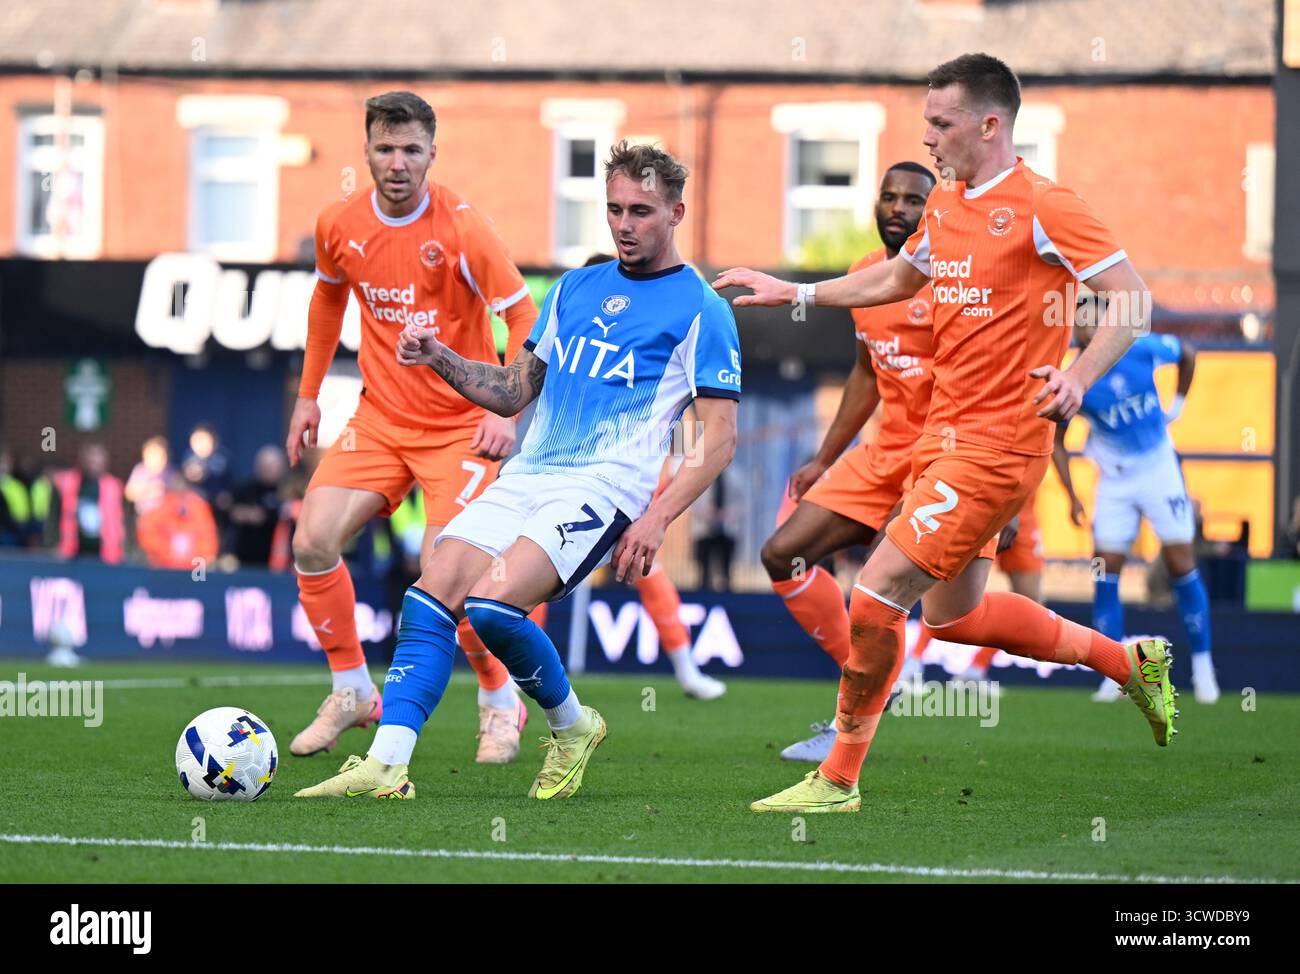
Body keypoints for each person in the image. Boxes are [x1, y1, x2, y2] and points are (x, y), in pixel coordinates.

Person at [716, 53, 1178, 813]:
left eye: (941, 122)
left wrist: (1078, 378)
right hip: (942, 438)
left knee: (876, 594)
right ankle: (1130, 665)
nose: (927, 138)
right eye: (926, 121)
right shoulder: (949, 203)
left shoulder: (1045, 205)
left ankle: (836, 778)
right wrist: (797, 291)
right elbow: (901, 279)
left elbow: (1132, 300)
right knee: (953, 616)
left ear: (990, 124)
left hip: (998, 448)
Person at [296, 140, 741, 800]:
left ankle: (568, 724)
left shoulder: (703, 309)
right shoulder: (575, 289)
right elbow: (512, 391)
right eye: (615, 209)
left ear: (676, 212)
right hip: (530, 475)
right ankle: (387, 766)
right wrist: (440, 356)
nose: (624, 224)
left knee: (494, 607)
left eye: (641, 211)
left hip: (603, 488)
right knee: (432, 588)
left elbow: (721, 438)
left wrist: (656, 517)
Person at [285, 91, 540, 763]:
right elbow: (326, 300)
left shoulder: (462, 229)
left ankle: (497, 701)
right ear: (365, 151)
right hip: (380, 417)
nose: (397, 163)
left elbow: (524, 319)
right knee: (311, 540)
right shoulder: (339, 223)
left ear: (432, 152)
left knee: (446, 573)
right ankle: (350, 691)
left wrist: (501, 408)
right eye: (384, 149)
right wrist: (309, 396)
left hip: (461, 424)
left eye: (411, 150)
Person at [1052, 292, 1220, 704]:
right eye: (1080, 318)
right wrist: (1072, 495)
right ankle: (1112, 672)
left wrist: (1177, 404)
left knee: (1181, 562)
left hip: (1158, 469)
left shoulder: (1140, 347)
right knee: (1104, 570)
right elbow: (1055, 439)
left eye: (1093, 316)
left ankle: (1204, 669)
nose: (1086, 325)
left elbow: (1189, 353)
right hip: (1114, 479)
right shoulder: (1075, 375)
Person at [45, 442, 127, 564]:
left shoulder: (113, 487)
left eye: (97, 460)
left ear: (105, 462)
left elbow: (121, 521)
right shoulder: (65, 483)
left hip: (106, 555)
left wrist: (122, 550)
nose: (93, 464)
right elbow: (53, 517)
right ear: (81, 461)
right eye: (90, 460)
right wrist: (52, 545)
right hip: (71, 554)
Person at [136, 471, 219, 570]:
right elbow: (148, 530)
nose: (179, 487)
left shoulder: (198, 506)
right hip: (165, 565)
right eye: (176, 483)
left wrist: (203, 556)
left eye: (181, 483)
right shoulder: (161, 505)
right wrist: (161, 553)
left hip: (194, 567)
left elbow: (207, 533)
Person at [228, 444, 289, 567]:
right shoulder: (245, 490)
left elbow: (282, 515)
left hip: (277, 558)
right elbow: (231, 512)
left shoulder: (286, 491)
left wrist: (261, 516)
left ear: (281, 467)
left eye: (271, 466)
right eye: (263, 465)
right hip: (244, 556)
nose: (266, 469)